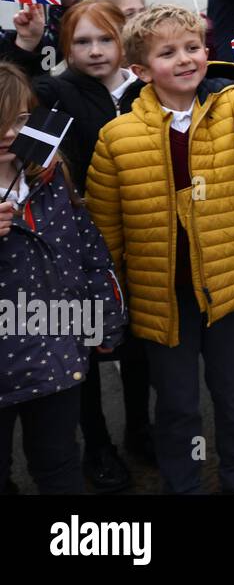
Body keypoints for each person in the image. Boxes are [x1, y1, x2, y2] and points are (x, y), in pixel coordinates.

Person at [85, 4, 234, 493]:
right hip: (160, 295)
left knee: (232, 393)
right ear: (141, 71)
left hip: (227, 286)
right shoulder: (115, 137)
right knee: (177, 401)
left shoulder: (231, 103)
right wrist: (108, 296)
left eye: (193, 48)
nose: (186, 59)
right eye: (168, 53)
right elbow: (105, 231)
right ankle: (183, 483)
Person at [6, 1, 151, 492]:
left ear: (124, 41)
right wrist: (26, 43)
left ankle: (140, 428)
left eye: (105, 39)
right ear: (65, 48)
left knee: (136, 343)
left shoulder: (143, 88)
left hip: (141, 235)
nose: (94, 51)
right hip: (72, 236)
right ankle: (99, 444)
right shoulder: (56, 91)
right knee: (79, 351)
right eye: (81, 42)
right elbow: (15, 93)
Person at [0, 63, 127, 495]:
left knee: (58, 465)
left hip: (54, 350)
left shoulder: (50, 179)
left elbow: (91, 257)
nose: (6, 133)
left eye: (18, 120)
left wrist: (104, 322)